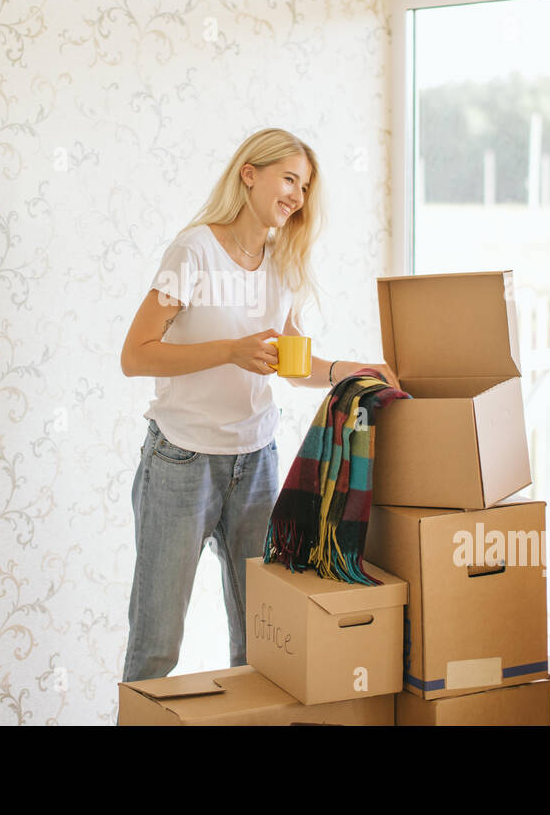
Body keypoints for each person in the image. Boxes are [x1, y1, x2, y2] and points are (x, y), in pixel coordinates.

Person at [118, 127, 401, 683]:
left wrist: (350, 370)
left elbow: (293, 362)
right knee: (157, 644)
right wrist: (230, 350)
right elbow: (136, 355)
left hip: (256, 461)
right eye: (289, 179)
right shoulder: (194, 251)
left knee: (262, 640)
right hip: (182, 460)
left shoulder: (282, 261)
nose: (298, 195)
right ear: (249, 174)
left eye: (305, 186)